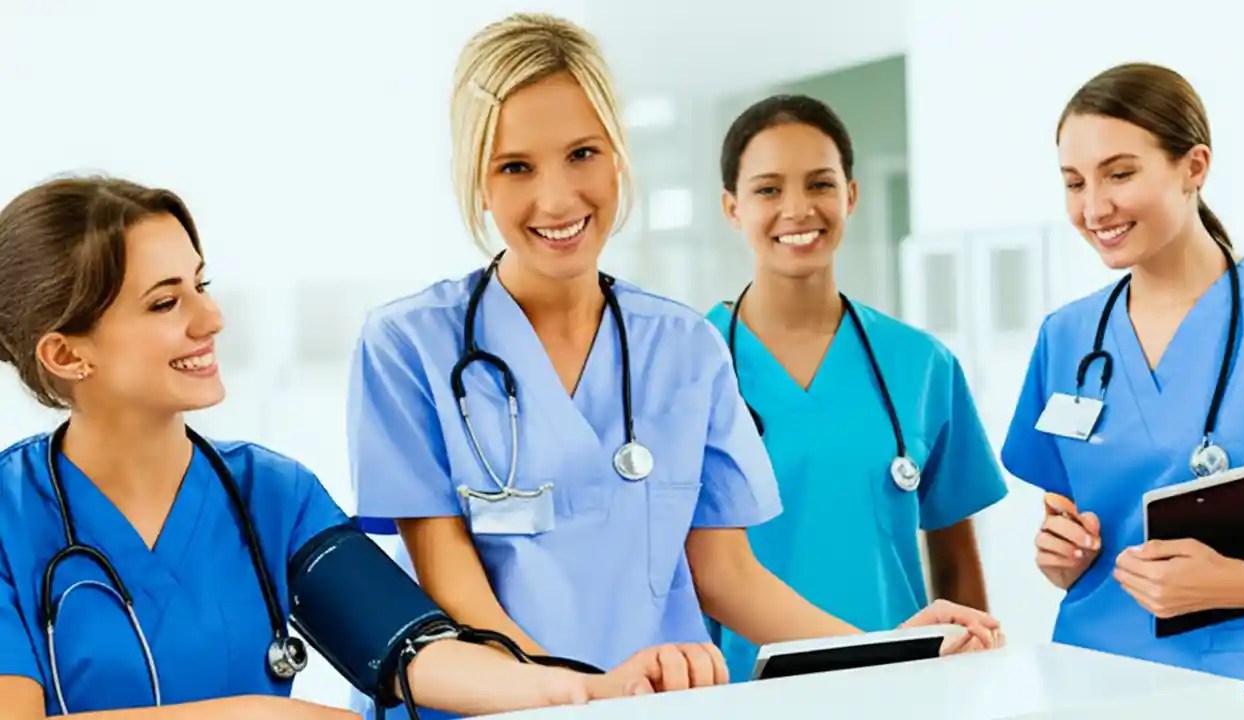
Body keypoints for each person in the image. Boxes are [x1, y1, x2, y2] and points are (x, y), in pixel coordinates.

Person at [346, 13, 1004, 718]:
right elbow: (452, 590)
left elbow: (727, 576)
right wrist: (583, 695)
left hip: (658, 706)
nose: (558, 198)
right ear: (475, 179)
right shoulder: (407, 347)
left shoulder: (685, 348)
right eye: (515, 167)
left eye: (583, 154)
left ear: (619, 154)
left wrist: (886, 655)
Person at [0, 176, 696, 719]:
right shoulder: (9, 515)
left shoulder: (270, 493)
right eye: (164, 302)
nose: (211, 319)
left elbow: (413, 653)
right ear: (66, 353)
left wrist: (588, 692)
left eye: (201, 286)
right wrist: (251, 715)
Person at [704, 94, 1008, 681]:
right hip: (741, 694)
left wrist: (975, 681)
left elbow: (957, 565)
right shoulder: (689, 366)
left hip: (901, 689)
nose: (797, 209)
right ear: (732, 208)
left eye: (819, 184)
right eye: (768, 189)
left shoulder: (922, 365)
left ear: (851, 194)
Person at [1001, 62, 1244, 688]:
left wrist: (1235, 582)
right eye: (1074, 182)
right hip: (1089, 674)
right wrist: (1061, 555)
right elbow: (1071, 527)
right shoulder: (1067, 337)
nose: (1094, 207)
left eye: (1120, 174)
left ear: (1194, 167)